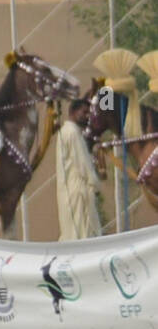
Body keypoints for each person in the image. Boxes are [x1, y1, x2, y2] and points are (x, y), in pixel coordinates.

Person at [56, 97, 102, 240]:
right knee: (82, 234)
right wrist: (95, 185)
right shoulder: (72, 133)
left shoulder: (66, 132)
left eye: (89, 113)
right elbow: (83, 164)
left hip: (69, 191)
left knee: (73, 233)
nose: (88, 117)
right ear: (73, 112)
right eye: (84, 112)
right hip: (78, 190)